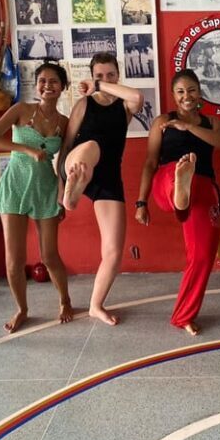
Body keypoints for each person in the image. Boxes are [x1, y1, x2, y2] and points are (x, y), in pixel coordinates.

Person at [135, 69, 220, 335]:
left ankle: (183, 316)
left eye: (191, 90)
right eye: (180, 91)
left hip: (203, 187)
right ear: (173, 95)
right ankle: (180, 186)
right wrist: (141, 202)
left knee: (203, 255)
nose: (186, 96)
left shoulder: (212, 123)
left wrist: (188, 127)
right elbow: (150, 162)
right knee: (174, 174)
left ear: (199, 92)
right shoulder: (163, 121)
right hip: (166, 179)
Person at [0, 63, 72, 333]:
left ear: (63, 87)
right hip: (14, 186)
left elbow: (64, 162)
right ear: (36, 85)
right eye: (42, 80)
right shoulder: (21, 110)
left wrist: (63, 195)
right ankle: (21, 309)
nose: (47, 86)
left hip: (45, 188)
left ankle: (65, 300)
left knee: (50, 256)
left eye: (54, 81)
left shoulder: (64, 123)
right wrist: (25, 149)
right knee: (14, 260)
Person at [60, 53, 144, 325]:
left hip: (107, 178)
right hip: (77, 164)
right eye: (99, 76)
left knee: (113, 251)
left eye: (110, 75)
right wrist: (60, 185)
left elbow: (137, 97)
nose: (105, 80)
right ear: (92, 76)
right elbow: (67, 143)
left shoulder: (125, 106)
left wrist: (99, 85)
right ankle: (73, 191)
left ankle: (96, 305)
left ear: (117, 76)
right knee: (91, 146)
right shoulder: (84, 104)